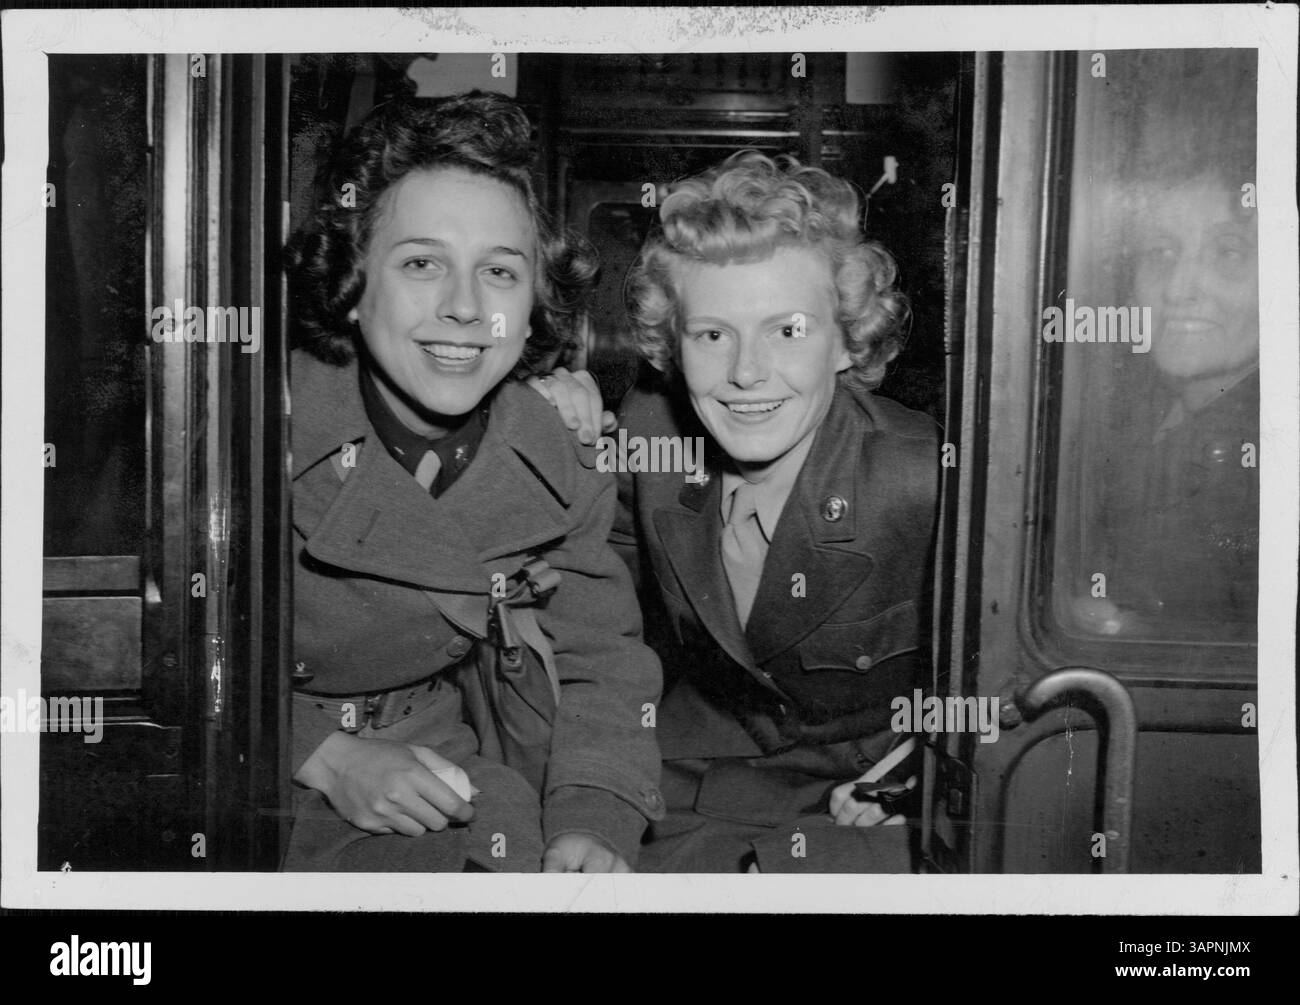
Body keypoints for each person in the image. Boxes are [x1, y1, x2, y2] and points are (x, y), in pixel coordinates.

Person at [282, 92, 664, 873]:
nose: (464, 308)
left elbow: (603, 657)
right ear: (353, 285)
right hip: (252, 765)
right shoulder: (250, 431)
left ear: (532, 308)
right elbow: (166, 658)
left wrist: (593, 816)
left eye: (499, 271)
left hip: (450, 768)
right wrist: (323, 753)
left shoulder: (564, 455)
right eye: (422, 263)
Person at [542, 151, 940, 871]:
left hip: (866, 803)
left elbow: (1013, 684)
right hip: (693, 781)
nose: (746, 373)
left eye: (787, 330)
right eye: (713, 334)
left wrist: (925, 764)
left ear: (848, 340)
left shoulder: (922, 472)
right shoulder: (650, 431)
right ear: (671, 345)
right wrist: (539, 430)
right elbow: (591, 609)